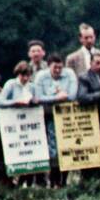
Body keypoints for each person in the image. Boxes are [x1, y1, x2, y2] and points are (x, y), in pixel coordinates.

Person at [34, 54, 79, 187]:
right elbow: (38, 97)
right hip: (48, 115)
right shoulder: (41, 76)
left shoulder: (69, 73)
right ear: (49, 66)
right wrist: (57, 97)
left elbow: (72, 94)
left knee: (67, 144)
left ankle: (64, 180)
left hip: (67, 115)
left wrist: (51, 97)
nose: (58, 70)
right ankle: (54, 180)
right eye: (55, 68)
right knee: (53, 148)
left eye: (60, 67)